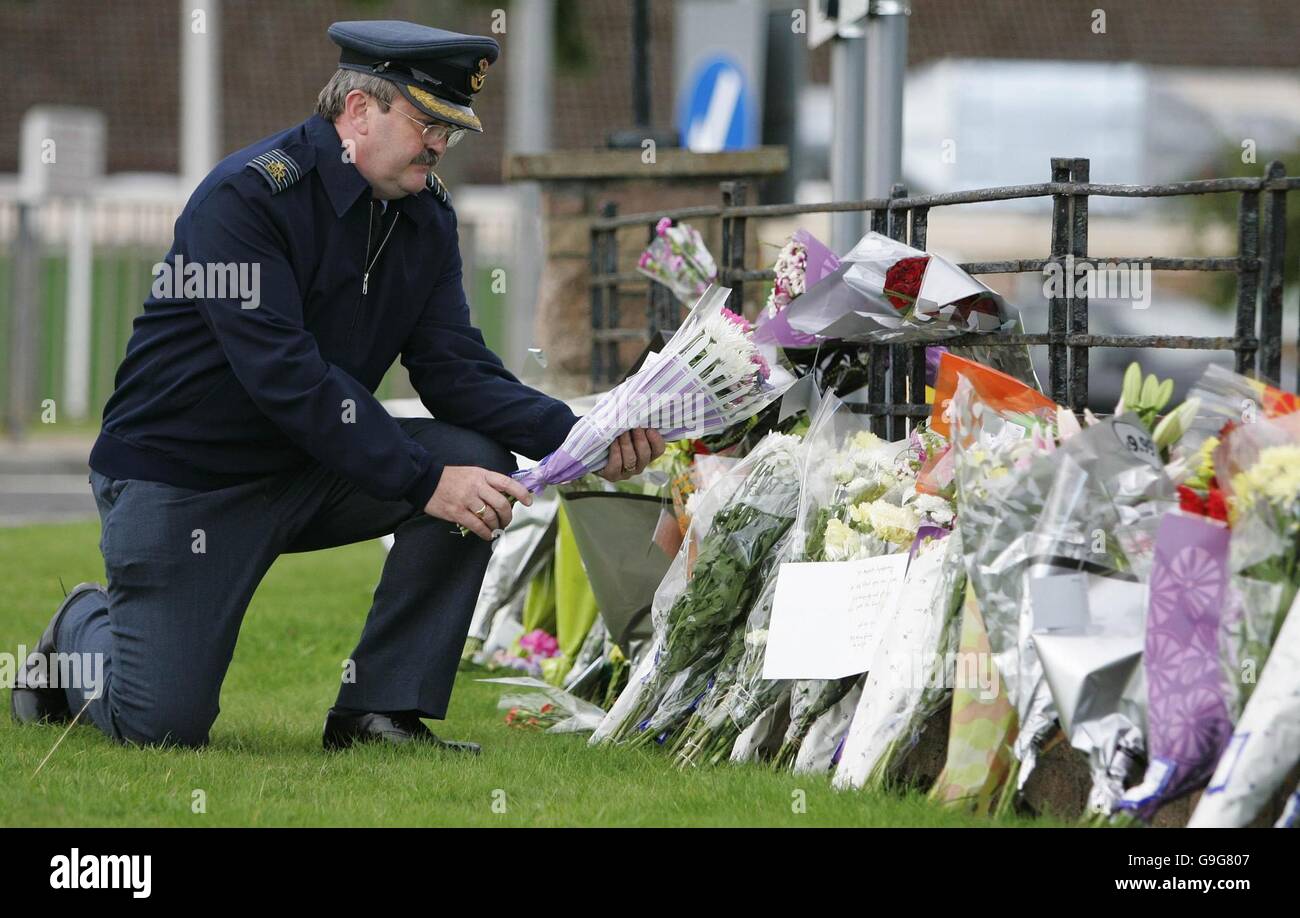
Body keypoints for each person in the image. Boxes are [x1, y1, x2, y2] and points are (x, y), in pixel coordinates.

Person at [10, 20, 664, 752]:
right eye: (427, 123)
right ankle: (76, 628)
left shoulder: (425, 214)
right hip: (182, 482)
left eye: (452, 128)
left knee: (474, 457)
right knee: (159, 726)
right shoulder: (246, 199)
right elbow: (285, 377)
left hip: (307, 468)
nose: (441, 145)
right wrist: (422, 479)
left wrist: (586, 438)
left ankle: (378, 712)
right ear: (359, 111)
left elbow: (455, 369)